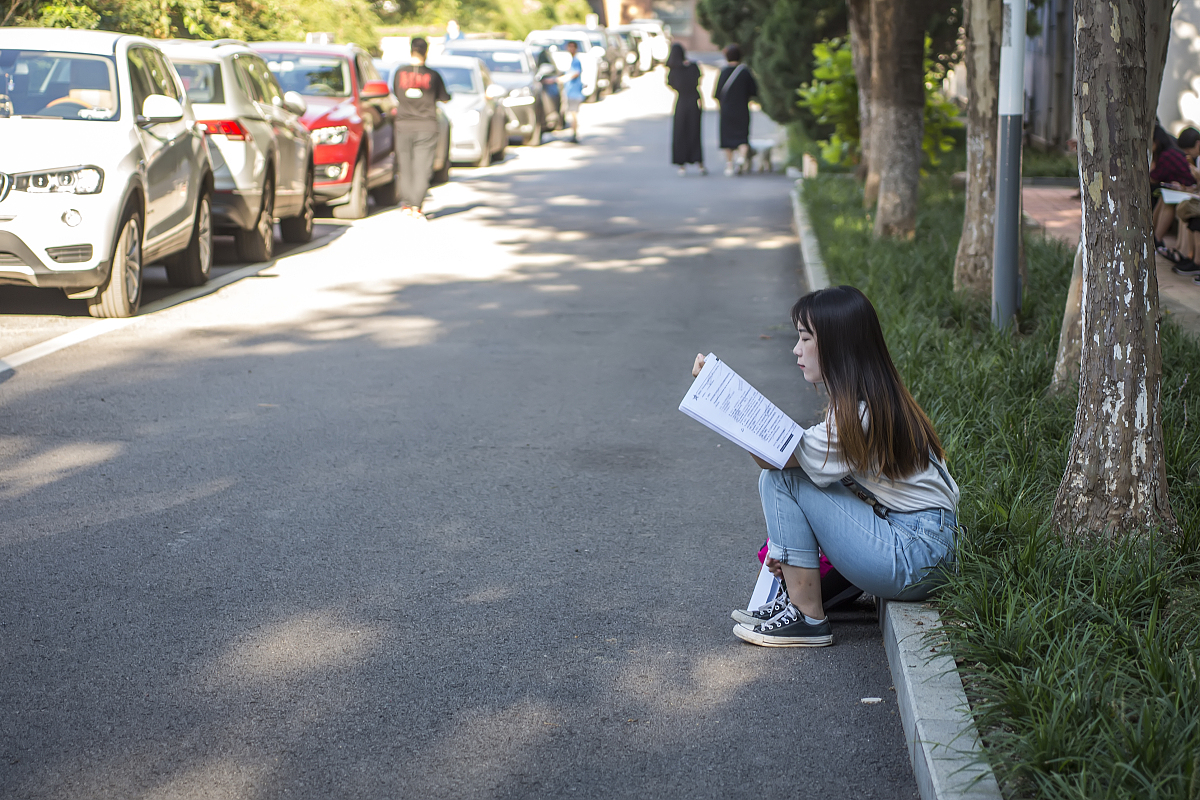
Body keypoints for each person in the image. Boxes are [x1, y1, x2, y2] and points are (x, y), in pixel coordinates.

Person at [691, 286, 960, 647]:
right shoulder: (872, 400)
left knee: (779, 480)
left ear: (836, 345)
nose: (796, 349)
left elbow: (778, 458)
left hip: (915, 553)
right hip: (924, 546)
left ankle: (805, 617)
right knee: (792, 478)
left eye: (805, 338)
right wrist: (791, 550)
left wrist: (718, 393)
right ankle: (799, 603)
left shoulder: (860, 415)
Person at [391, 37, 451, 221]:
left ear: (410, 50)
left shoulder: (399, 73)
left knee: (405, 166)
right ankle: (417, 206)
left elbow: (395, 93)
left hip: (403, 125)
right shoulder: (433, 75)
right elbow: (444, 97)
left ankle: (407, 204)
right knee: (422, 168)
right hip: (427, 126)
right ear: (426, 51)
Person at [714, 43, 757, 176]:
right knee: (742, 137)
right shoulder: (745, 72)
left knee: (728, 139)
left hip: (727, 110)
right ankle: (742, 158)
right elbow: (754, 91)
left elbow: (717, 93)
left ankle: (729, 165)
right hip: (742, 109)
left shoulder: (723, 71)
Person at [666, 42, 705, 175]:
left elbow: (671, 84)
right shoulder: (693, 67)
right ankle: (699, 162)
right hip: (694, 100)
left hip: (681, 102)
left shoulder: (673, 71)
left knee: (680, 132)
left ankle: (681, 164)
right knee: (694, 132)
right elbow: (698, 79)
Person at [560, 41, 584, 143]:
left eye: (572, 47)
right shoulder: (572, 60)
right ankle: (573, 133)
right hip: (570, 91)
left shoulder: (576, 61)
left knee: (573, 114)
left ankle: (574, 135)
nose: (571, 49)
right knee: (572, 113)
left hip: (574, 92)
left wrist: (563, 79)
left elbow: (575, 73)